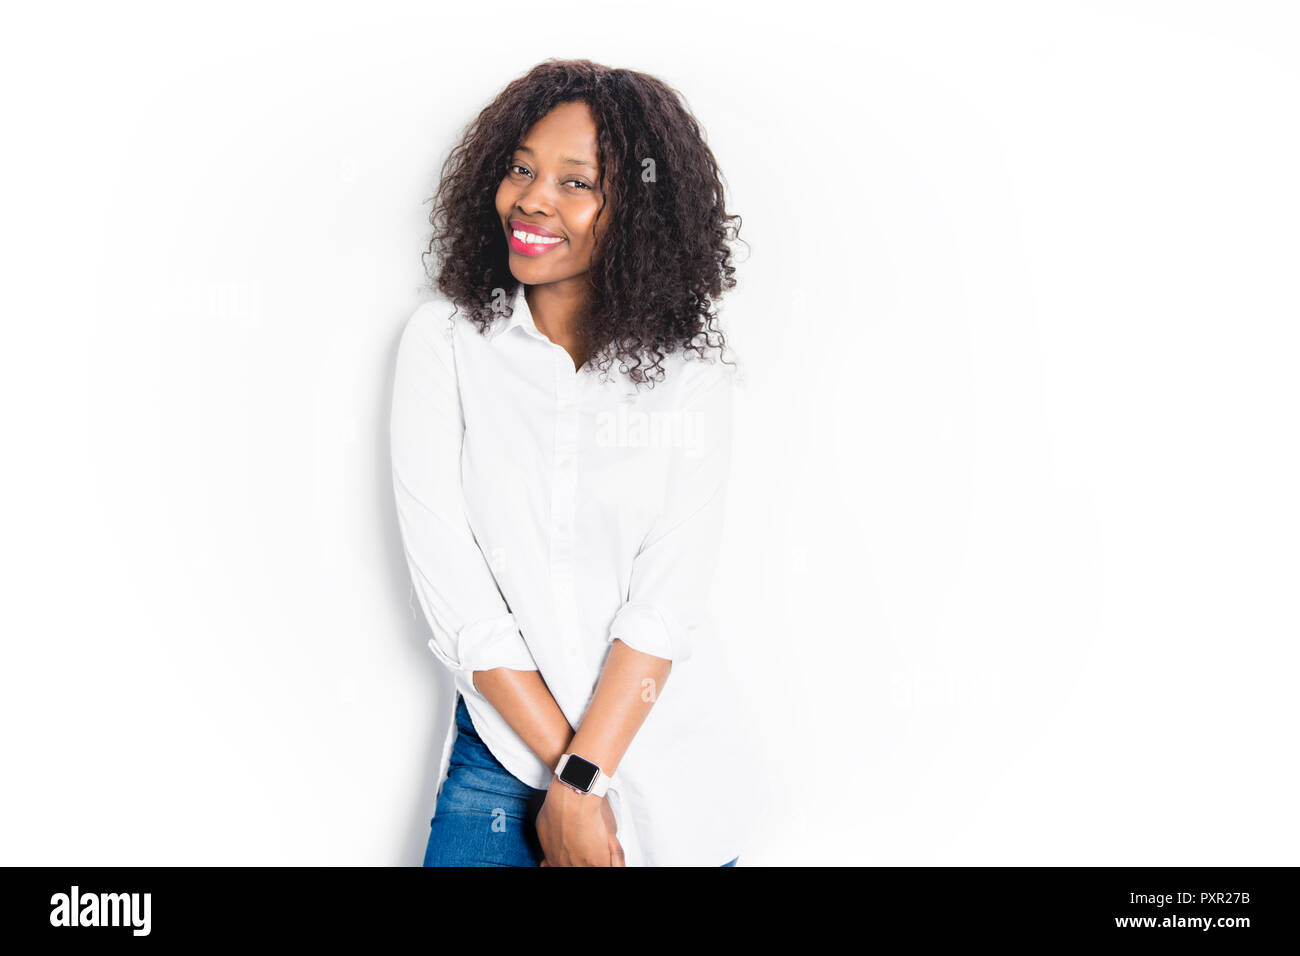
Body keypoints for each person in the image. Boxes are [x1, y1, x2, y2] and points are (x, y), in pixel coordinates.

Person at [389, 58, 752, 866]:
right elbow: (460, 602)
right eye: (521, 168)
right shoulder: (444, 346)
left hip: (670, 765)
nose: (531, 199)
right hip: (504, 757)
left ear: (639, 212)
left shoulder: (691, 383)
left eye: (574, 182)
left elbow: (664, 606)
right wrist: (573, 784)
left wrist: (588, 780)